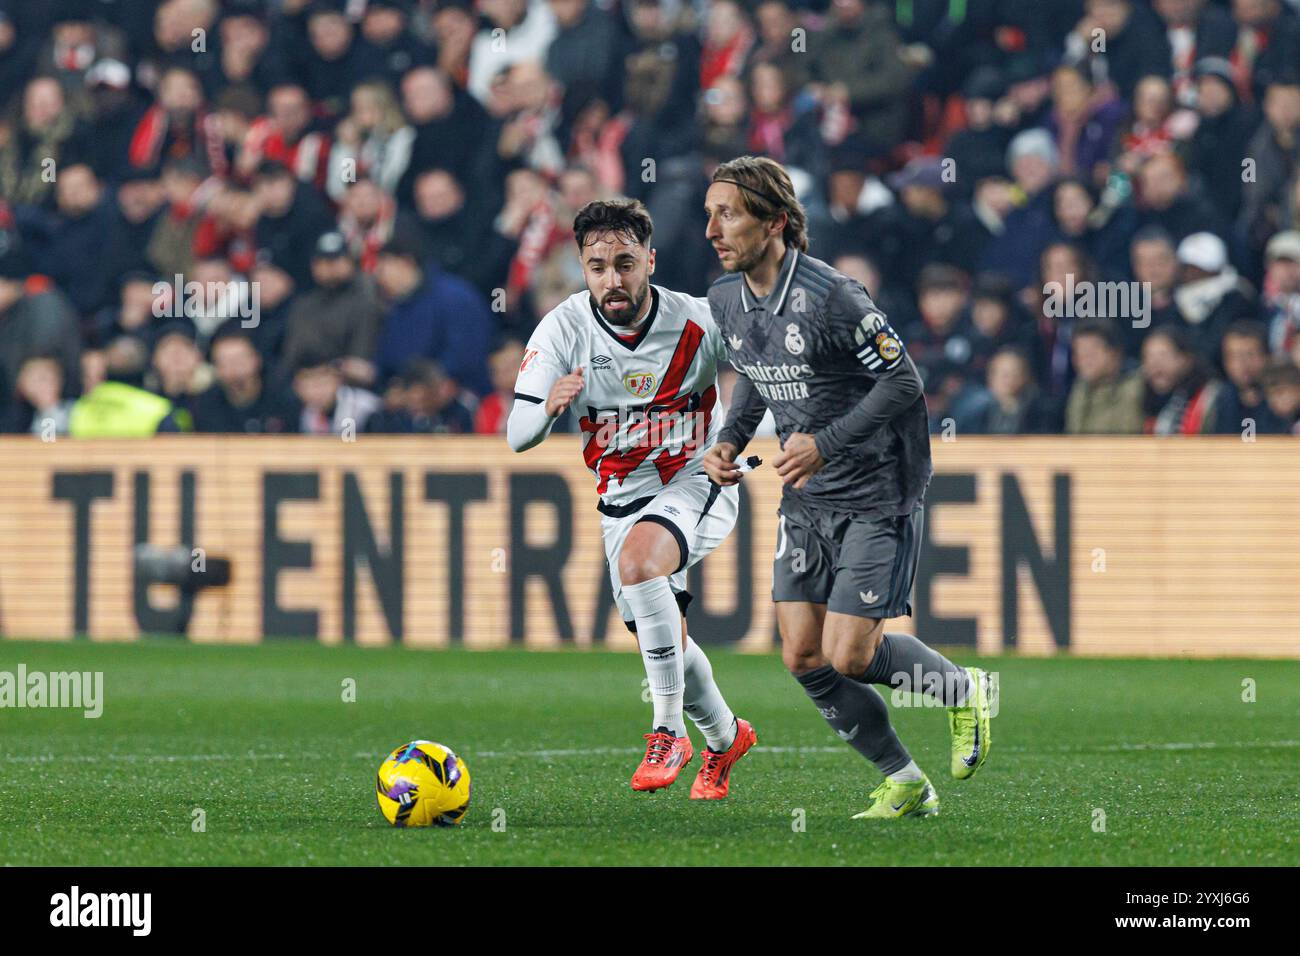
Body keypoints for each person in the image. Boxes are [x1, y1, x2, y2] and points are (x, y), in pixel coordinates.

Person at [701, 156, 993, 821]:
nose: (714, 229)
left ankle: (959, 689)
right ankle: (906, 781)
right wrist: (730, 439)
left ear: (775, 222)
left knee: (849, 654)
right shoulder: (726, 298)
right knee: (802, 653)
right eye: (710, 213)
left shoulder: (834, 295)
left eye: (729, 213)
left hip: (874, 490)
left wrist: (824, 442)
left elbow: (904, 382)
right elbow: (753, 370)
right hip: (807, 497)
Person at [507, 199, 756, 799]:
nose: (611, 280)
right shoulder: (563, 329)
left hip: (697, 479)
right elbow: (517, 435)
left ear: (650, 259)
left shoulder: (697, 320)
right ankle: (726, 737)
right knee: (663, 634)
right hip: (619, 498)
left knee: (641, 565)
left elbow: (761, 372)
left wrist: (735, 443)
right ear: (581, 266)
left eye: (624, 264)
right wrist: (549, 409)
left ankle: (667, 730)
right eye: (597, 267)